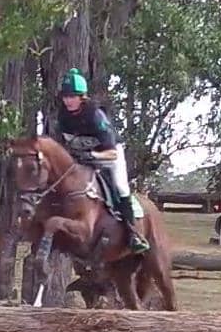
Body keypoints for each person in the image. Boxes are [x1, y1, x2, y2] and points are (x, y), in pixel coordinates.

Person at [53, 67, 149, 253]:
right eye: (65, 97)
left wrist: (93, 156)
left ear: (82, 97)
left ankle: (133, 234)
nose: (68, 101)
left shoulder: (96, 116)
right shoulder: (63, 115)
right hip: (82, 158)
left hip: (108, 155)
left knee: (121, 187)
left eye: (72, 96)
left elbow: (111, 153)